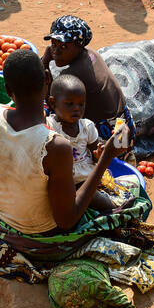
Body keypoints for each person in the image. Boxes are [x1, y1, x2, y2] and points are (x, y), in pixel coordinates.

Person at [0, 49, 145, 283]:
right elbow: (66, 220)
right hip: (40, 241)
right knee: (137, 203)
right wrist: (105, 158)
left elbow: (21, 142)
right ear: (47, 84)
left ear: (8, 90)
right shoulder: (55, 146)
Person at [40, 15, 132, 143]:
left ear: (79, 45)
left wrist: (44, 61)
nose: (55, 51)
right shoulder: (90, 53)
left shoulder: (73, 74)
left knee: (45, 116)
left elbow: (52, 102)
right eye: (53, 44)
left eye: (63, 47)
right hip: (125, 122)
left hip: (108, 132)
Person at [45, 75, 116, 213]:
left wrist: (99, 154)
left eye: (81, 104)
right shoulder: (49, 126)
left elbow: (95, 153)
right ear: (53, 103)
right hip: (63, 179)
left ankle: (111, 209)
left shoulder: (87, 127)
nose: (77, 109)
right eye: (70, 104)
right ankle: (113, 210)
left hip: (85, 178)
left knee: (96, 198)